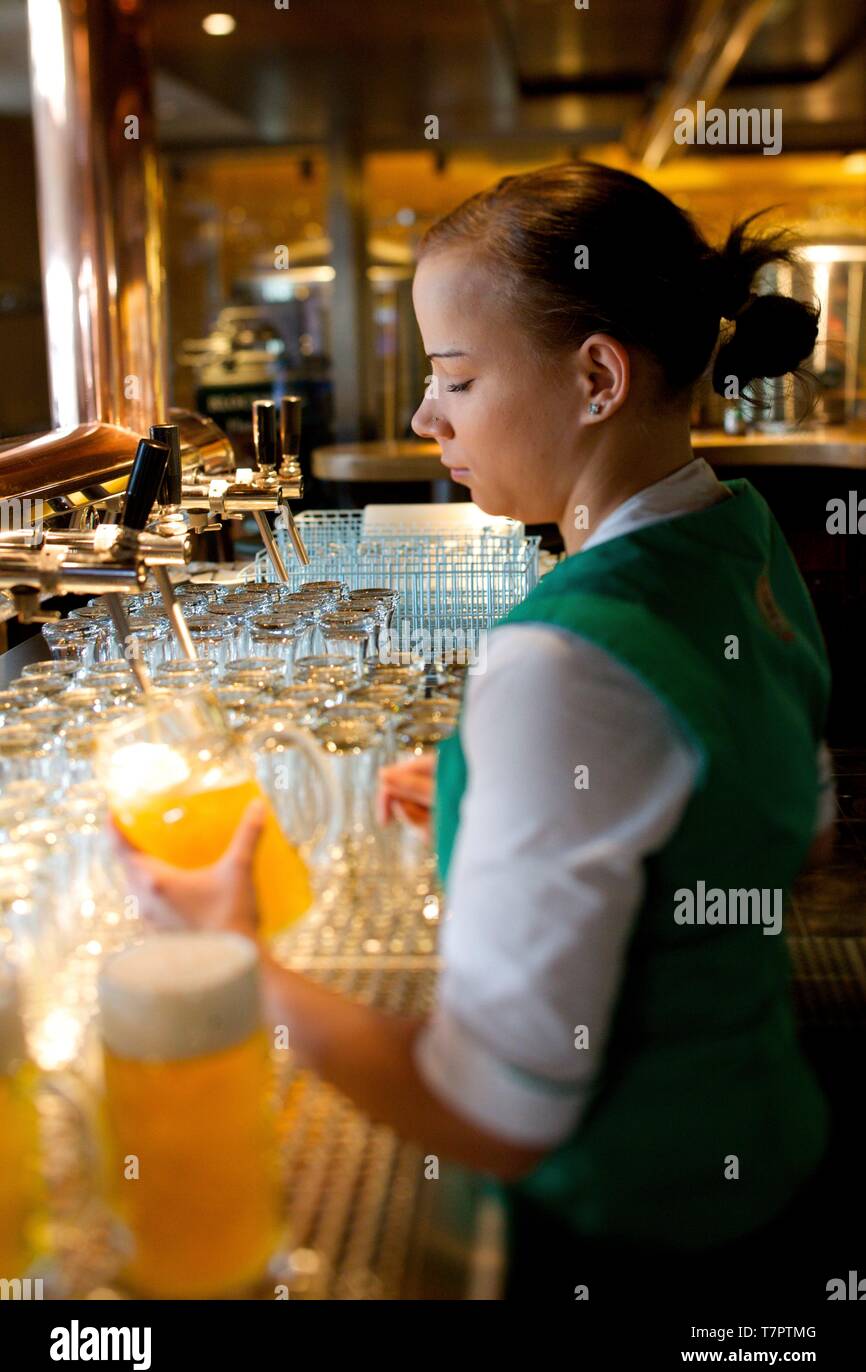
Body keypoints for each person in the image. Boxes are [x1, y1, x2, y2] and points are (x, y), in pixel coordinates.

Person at [113, 163, 837, 1304]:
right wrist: (505, 788)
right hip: (772, 1160)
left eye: (452, 377)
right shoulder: (738, 536)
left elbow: (492, 1114)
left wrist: (235, 967)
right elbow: (795, 834)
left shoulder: (561, 660)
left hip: (629, 1237)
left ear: (595, 376)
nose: (421, 417)